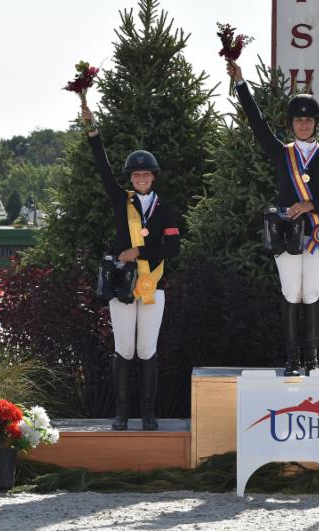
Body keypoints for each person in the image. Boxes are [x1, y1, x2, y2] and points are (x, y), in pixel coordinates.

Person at [227, 60, 319, 377]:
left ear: (316, 123)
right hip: (287, 235)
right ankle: (293, 360)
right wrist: (241, 84)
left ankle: (313, 359)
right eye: (298, 120)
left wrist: (311, 205)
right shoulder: (282, 154)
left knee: (312, 294)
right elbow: (257, 124)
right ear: (291, 124)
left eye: (308, 120)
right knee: (291, 293)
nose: (303, 125)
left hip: (318, 235)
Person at [80, 103, 180, 431]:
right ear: (131, 178)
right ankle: (122, 414)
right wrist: (93, 131)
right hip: (122, 285)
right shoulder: (120, 200)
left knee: (147, 350)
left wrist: (139, 250)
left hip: (154, 286)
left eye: (146, 174)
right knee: (124, 349)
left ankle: (148, 413)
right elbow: (103, 168)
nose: (141, 178)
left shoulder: (166, 209)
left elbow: (173, 248)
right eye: (136, 175)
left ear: (153, 177)